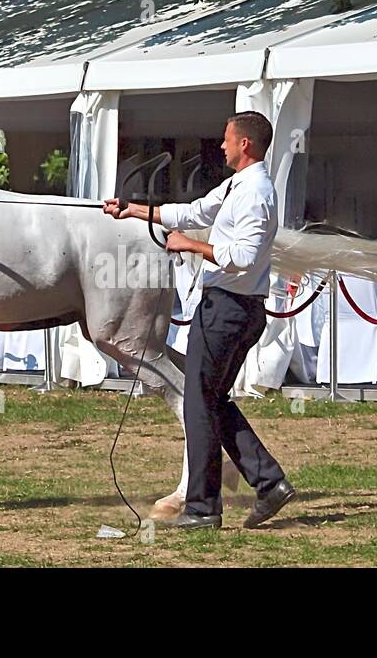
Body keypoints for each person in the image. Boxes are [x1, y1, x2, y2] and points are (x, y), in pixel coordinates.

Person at [103, 111, 294, 530]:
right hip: (226, 307)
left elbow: (241, 258)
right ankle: (269, 482)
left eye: (227, 140)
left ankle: (205, 508)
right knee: (211, 401)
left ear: (245, 144)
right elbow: (192, 211)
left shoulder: (256, 193)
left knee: (199, 405)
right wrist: (131, 210)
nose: (221, 146)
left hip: (229, 308)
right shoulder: (236, 186)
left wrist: (190, 246)